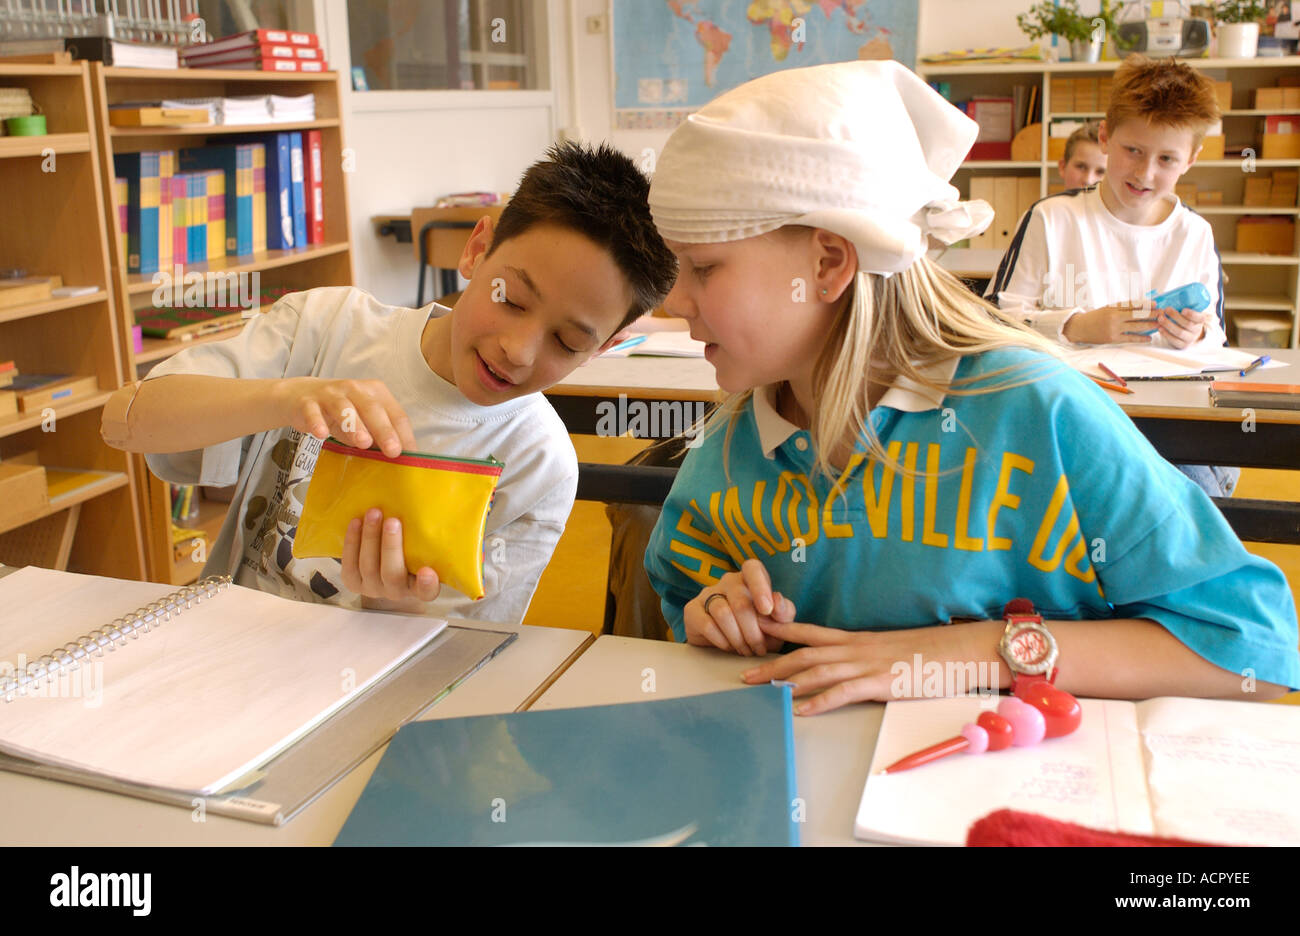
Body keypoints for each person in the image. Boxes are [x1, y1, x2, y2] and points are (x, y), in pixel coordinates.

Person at [640, 60, 1299, 715]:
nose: (674, 301)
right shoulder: (732, 441)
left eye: (702, 267)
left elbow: (1255, 649)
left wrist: (970, 653)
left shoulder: (1033, 409)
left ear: (828, 262)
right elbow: (685, 590)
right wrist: (714, 613)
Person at [102, 142, 676, 626]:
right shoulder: (326, 328)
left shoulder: (536, 465)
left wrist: (385, 604)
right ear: (477, 249)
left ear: (601, 350)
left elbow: (458, 667)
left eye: (568, 343)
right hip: (221, 658)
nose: (519, 349)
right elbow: (125, 419)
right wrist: (288, 395)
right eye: (512, 299)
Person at [988, 55, 1237, 496]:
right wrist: (1075, 325)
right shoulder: (1051, 219)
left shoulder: (1194, 233)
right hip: (1072, 414)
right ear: (1105, 135)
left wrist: (1194, 336)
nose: (1145, 173)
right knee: (1164, 492)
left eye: (1166, 159)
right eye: (1133, 151)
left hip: (1169, 423)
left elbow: (1216, 341)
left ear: (1192, 159)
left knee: (1188, 488)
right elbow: (992, 323)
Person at [1058, 121, 1106, 190]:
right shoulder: (1047, 201)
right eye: (1081, 167)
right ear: (1062, 167)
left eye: (1101, 172)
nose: (1088, 181)